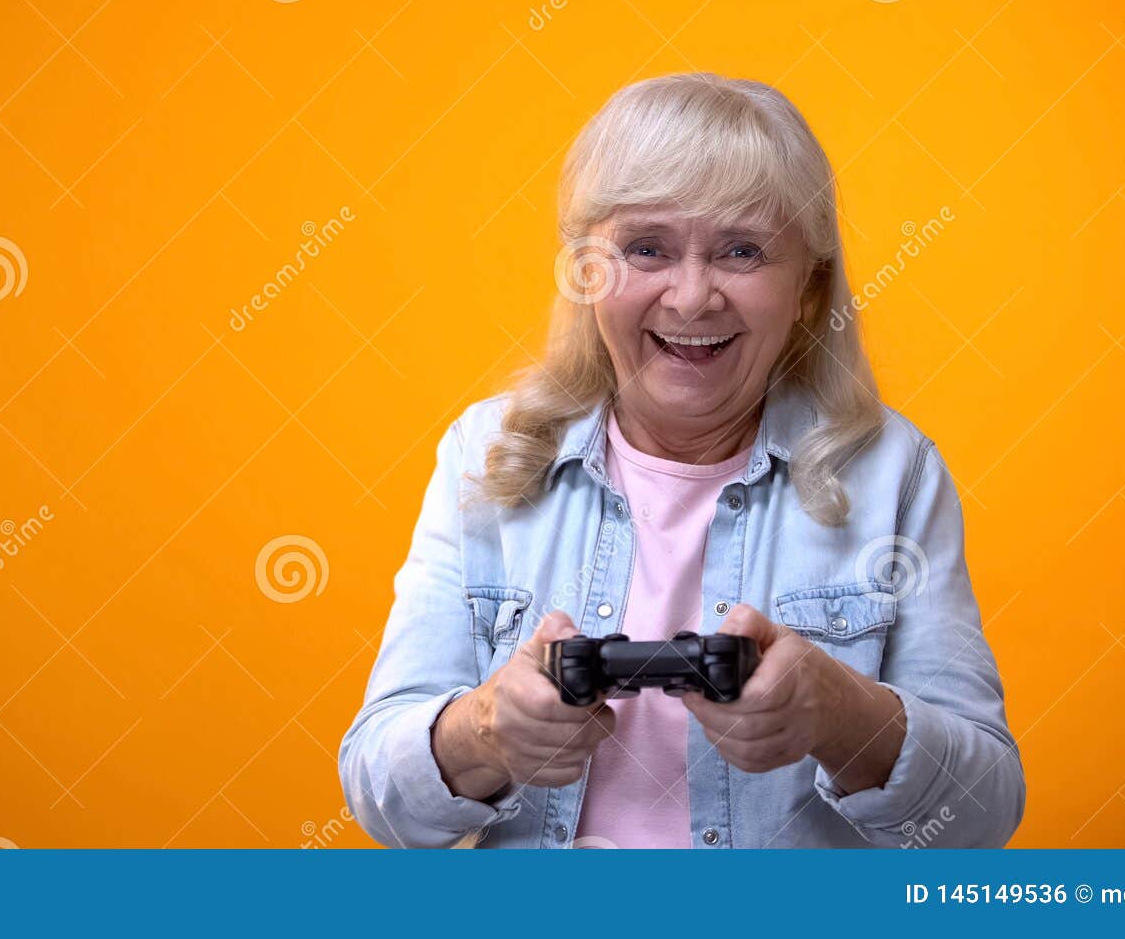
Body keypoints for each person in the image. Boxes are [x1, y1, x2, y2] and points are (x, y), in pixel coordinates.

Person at [338, 73, 1024, 848]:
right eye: (646, 248)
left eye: (742, 250)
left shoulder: (894, 473)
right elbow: (378, 797)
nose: (692, 299)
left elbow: (981, 816)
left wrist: (841, 715)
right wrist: (486, 731)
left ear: (808, 285)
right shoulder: (484, 455)